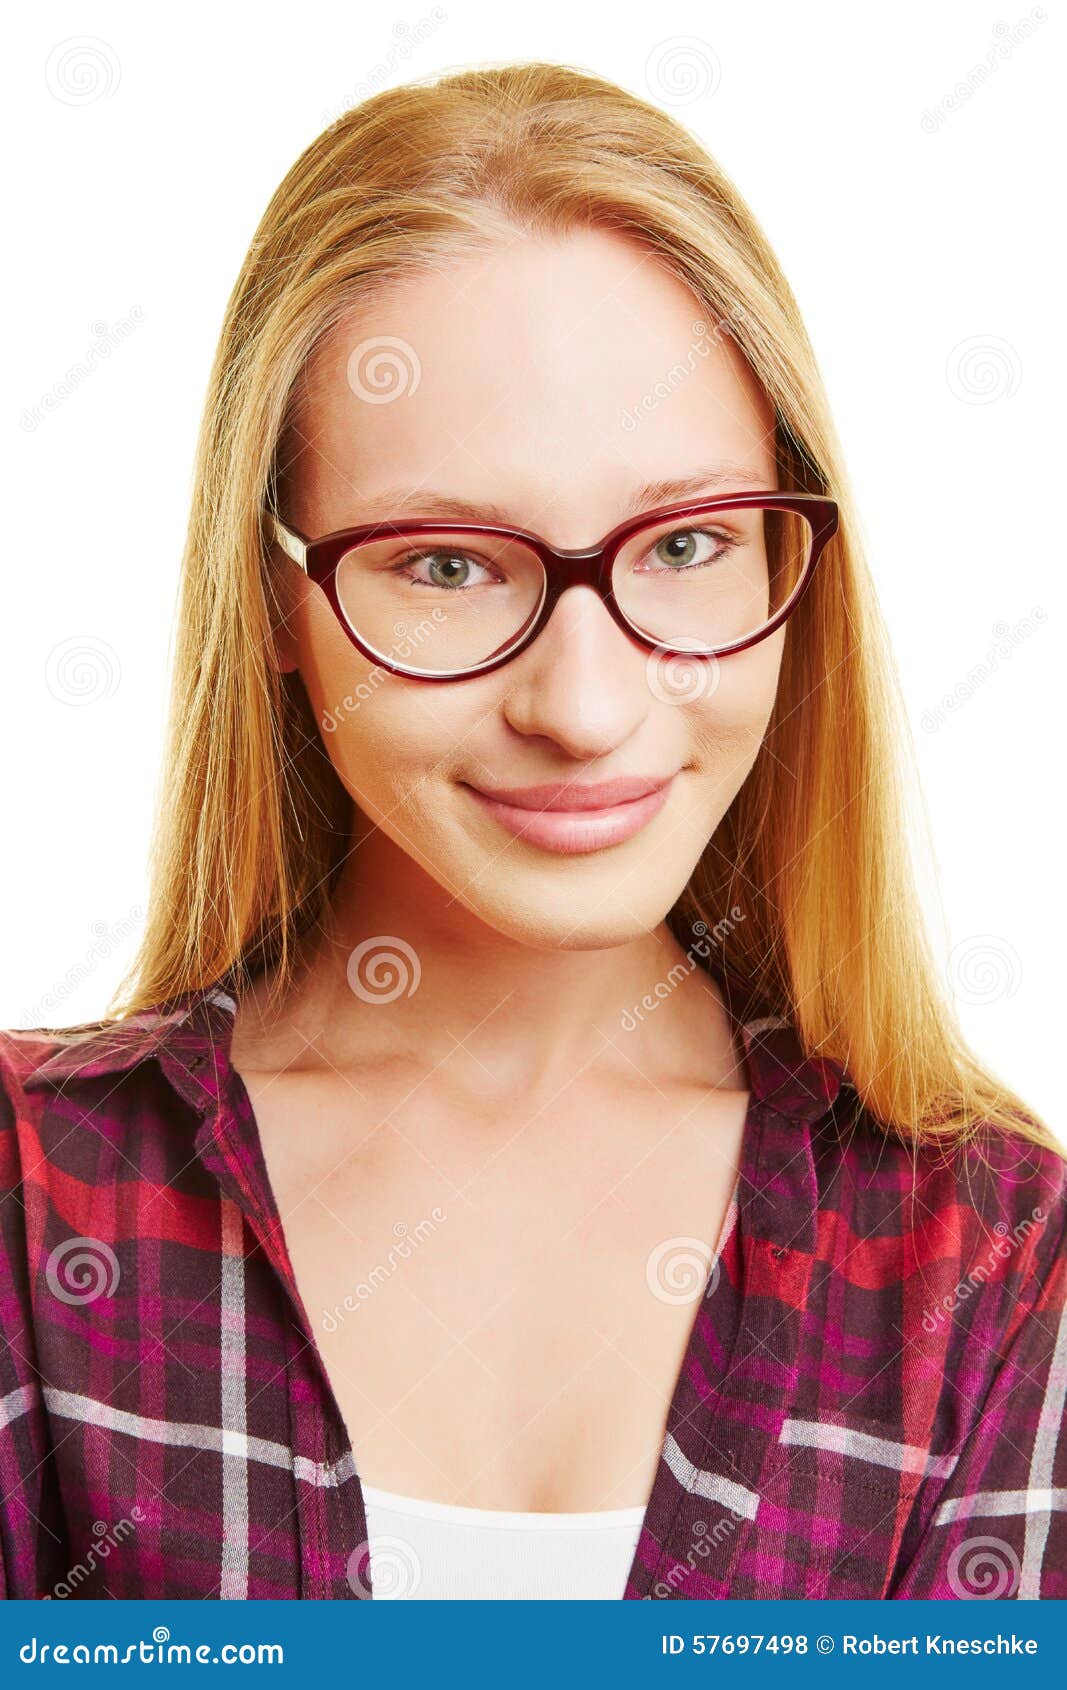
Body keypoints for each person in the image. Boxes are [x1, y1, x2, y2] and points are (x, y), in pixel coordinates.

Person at [1, 61, 1063, 1603]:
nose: (583, 703)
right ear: (276, 599)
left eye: (687, 543)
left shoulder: (993, 1260)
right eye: (448, 565)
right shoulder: (33, 1202)